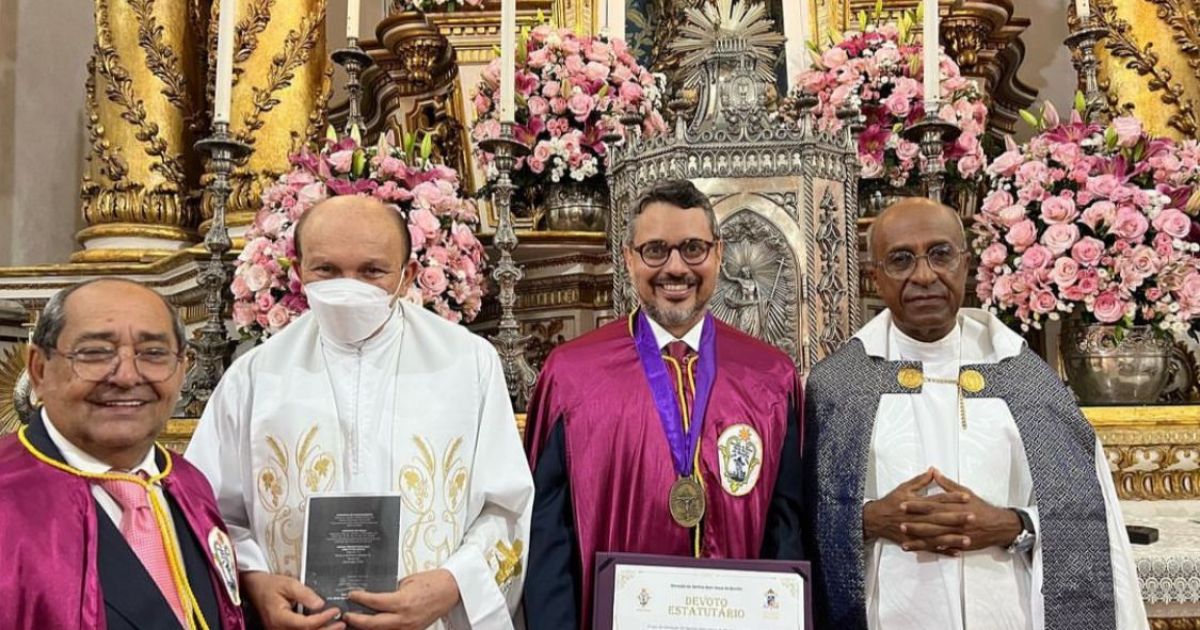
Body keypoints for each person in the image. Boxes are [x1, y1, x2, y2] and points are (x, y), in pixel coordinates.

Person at [186, 196, 533, 630]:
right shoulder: (256, 376)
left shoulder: (467, 364)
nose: (348, 287)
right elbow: (209, 512)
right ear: (298, 272)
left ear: (407, 276)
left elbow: (506, 506)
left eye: (372, 271)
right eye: (326, 270)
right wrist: (255, 583)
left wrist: (452, 584)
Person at [802, 198, 1147, 630]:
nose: (924, 275)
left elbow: (1087, 520)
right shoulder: (836, 386)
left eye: (941, 254)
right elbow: (791, 522)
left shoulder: (1024, 379)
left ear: (965, 264)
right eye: (901, 260)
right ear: (874, 277)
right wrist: (868, 519)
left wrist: (1011, 525)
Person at [523, 179, 805, 630]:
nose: (676, 268)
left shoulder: (770, 377)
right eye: (655, 250)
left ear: (718, 254)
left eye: (693, 248)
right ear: (629, 257)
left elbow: (786, 528)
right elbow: (546, 535)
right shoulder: (572, 376)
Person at [0, 278, 245, 630]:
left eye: (154, 354)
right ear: (39, 369)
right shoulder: (6, 496)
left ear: (182, 368)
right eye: (95, 353)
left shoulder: (187, 483)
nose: (128, 376)